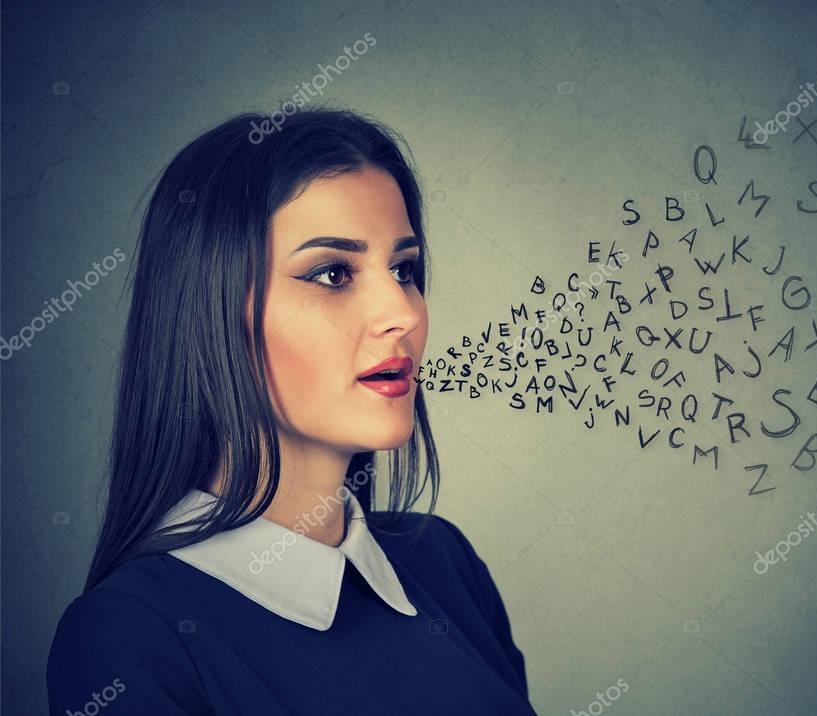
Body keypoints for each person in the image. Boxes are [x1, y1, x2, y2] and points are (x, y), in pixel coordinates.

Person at [46, 107, 538, 715]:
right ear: (210, 312)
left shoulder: (444, 561)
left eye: (404, 269)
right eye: (334, 273)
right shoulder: (128, 636)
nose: (404, 315)